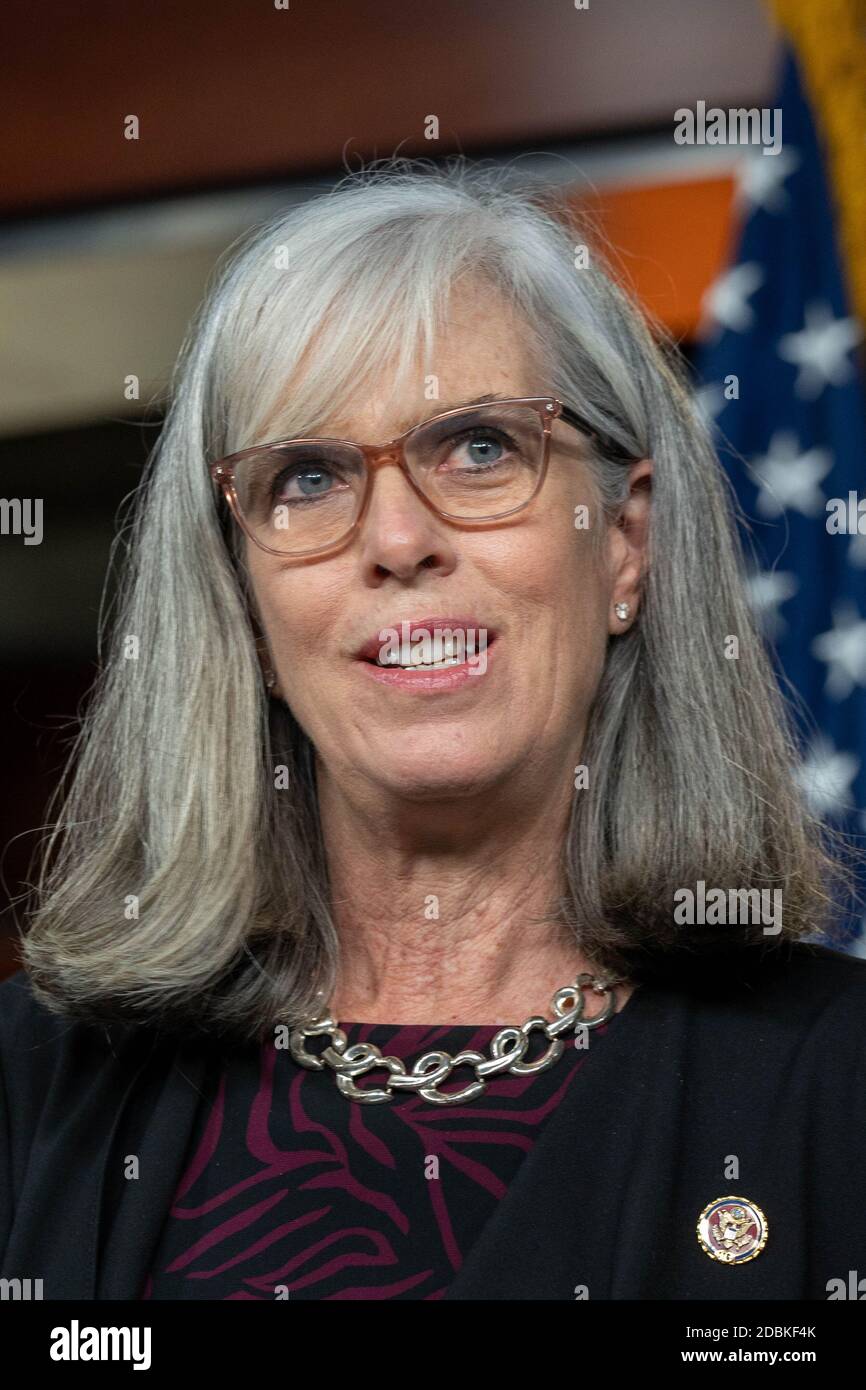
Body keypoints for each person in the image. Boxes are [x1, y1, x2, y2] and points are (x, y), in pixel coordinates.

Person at [2, 159, 864, 1301]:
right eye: (305, 476)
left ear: (622, 545)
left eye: (477, 448)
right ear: (244, 608)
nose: (396, 538)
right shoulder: (39, 1081)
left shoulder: (839, 1084)